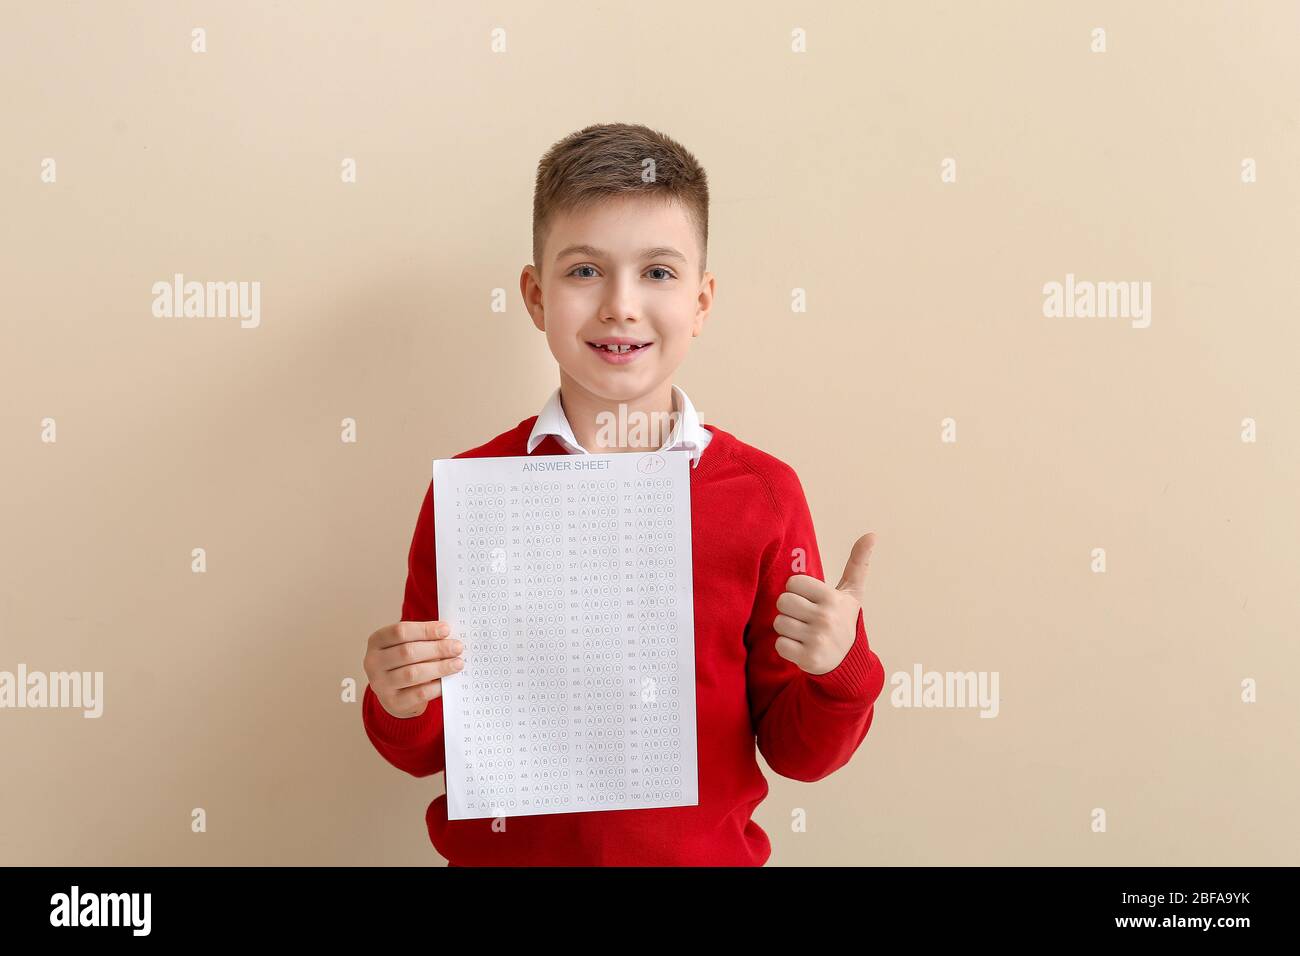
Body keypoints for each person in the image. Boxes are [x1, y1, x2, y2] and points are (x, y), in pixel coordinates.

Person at [361, 122, 884, 866]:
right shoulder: (470, 495)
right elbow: (421, 750)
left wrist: (839, 670)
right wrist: (398, 698)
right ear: (536, 297)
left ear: (701, 303)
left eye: (659, 273)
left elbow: (800, 754)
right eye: (584, 272)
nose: (620, 306)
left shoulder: (762, 495)